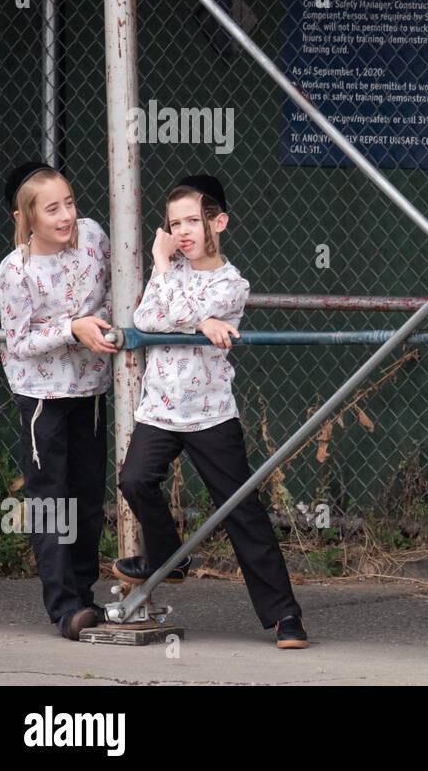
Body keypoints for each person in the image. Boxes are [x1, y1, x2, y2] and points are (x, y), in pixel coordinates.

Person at [114, 175, 308, 649]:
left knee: (240, 509)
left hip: (210, 412)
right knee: (134, 480)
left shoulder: (231, 283)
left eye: (193, 221)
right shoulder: (169, 270)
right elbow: (145, 320)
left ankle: (284, 617)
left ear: (217, 222)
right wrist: (192, 312)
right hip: (160, 408)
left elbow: (178, 312)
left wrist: (189, 307)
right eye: (173, 223)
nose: (182, 232)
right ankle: (169, 557)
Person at [0, 162, 117, 640]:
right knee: (52, 500)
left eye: (69, 202)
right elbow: (19, 340)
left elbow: (114, 291)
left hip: (90, 391)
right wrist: (73, 329)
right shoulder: (16, 271)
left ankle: (85, 597)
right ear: (26, 218)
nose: (66, 215)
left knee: (88, 499)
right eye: (52, 209)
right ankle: (64, 608)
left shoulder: (92, 237)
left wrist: (101, 322)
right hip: (42, 396)